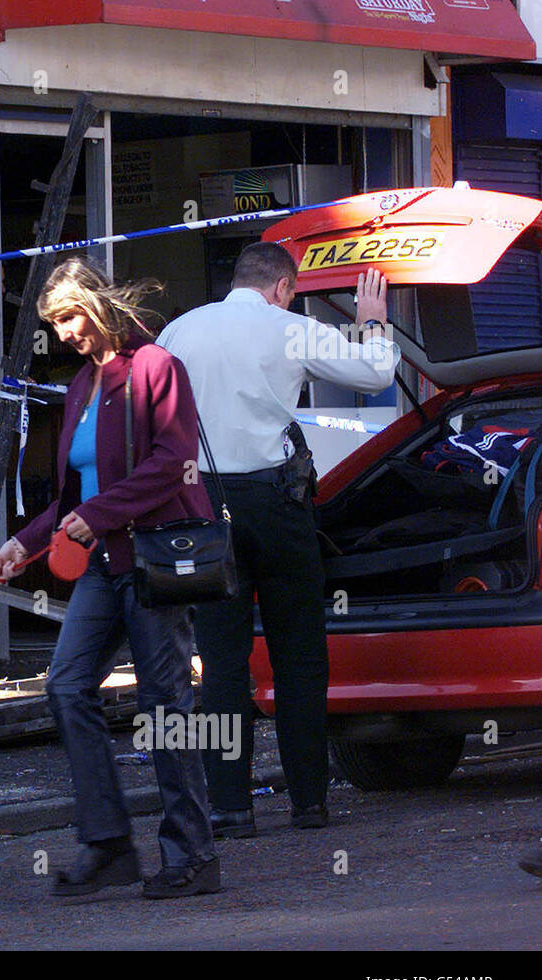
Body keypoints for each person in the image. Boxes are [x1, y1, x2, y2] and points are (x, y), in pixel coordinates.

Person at [0, 256, 219, 899]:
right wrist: (24, 542)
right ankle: (110, 843)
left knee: (165, 708)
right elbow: (72, 496)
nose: (62, 333)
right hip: (102, 565)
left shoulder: (156, 368)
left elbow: (173, 463)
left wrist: (94, 515)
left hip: (153, 563)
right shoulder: (81, 389)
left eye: (67, 317)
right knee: (66, 687)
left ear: (97, 306)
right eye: (54, 323)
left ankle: (195, 856)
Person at [157, 242, 400, 837]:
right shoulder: (294, 329)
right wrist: (373, 324)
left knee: (220, 664)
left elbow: (154, 416)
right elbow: (375, 374)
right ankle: (309, 802)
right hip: (277, 505)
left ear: (238, 280)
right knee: (299, 656)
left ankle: (231, 808)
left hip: (207, 507)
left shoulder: (180, 331)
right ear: (283, 288)